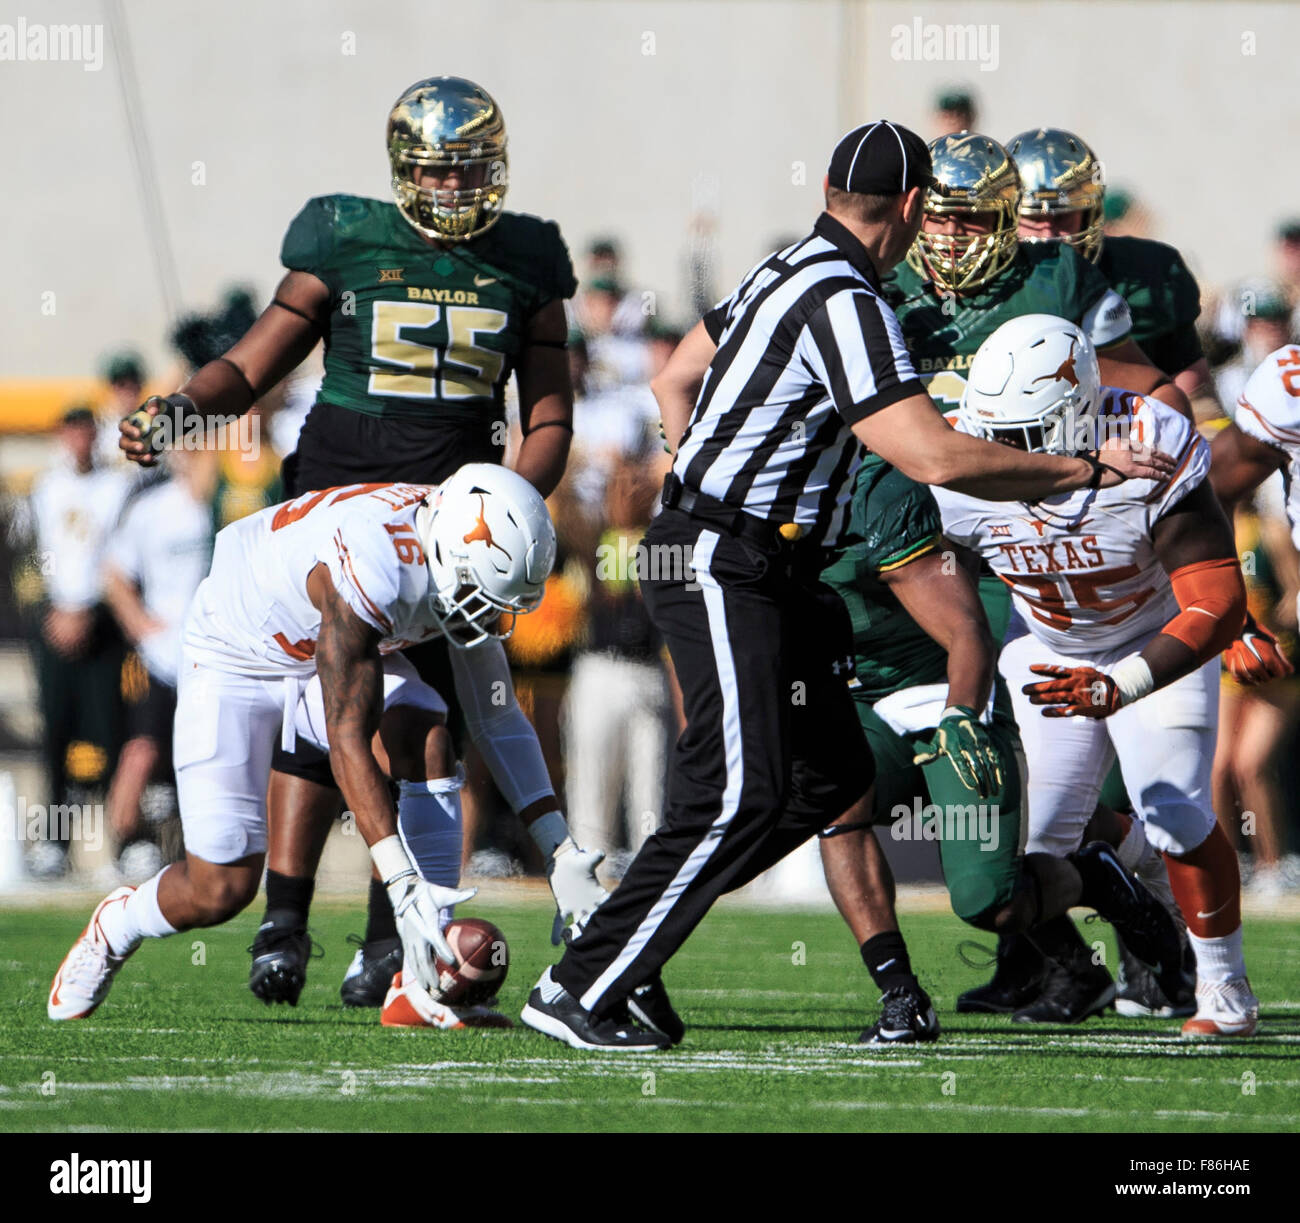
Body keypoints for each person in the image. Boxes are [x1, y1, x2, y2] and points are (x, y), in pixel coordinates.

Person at [518, 120, 1176, 1052]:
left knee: (823, 778)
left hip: (767, 563)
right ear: (910, 207)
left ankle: (626, 962)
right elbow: (930, 452)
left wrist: (697, 463)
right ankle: (584, 981)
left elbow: (677, 374)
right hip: (729, 558)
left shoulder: (785, 266)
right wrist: (1077, 470)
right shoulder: (847, 297)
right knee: (737, 791)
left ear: (831, 189)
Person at [118, 75, 586, 1010]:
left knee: (426, 728)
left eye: (468, 170)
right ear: (403, 172)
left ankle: (390, 940)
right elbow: (252, 366)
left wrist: (507, 509)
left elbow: (548, 412)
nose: (453, 189)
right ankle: (284, 920)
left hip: (454, 514)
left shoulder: (529, 257)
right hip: (338, 490)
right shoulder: (345, 235)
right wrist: (181, 411)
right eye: (435, 172)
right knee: (322, 709)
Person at [823, 131, 1193, 1025]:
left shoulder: (1052, 274)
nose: (949, 239)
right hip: (910, 551)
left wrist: (1138, 482)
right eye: (937, 218)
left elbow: (1149, 388)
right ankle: (1051, 954)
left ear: (1009, 218)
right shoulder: (878, 285)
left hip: (1022, 544)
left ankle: (1123, 897)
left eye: (973, 219)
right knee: (928, 795)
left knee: (1046, 773)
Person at [47, 467, 604, 1029]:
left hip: (318, 647)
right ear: (448, 553)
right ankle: (117, 923)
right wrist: (399, 878)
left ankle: (419, 982)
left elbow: (498, 715)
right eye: (479, 598)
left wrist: (559, 850)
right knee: (220, 888)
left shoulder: (450, 544)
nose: (487, 617)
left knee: (428, 734)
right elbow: (345, 738)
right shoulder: (375, 563)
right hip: (236, 655)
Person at [932, 315, 1256, 1037]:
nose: (996, 454)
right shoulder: (956, 463)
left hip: (1155, 639)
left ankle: (1225, 990)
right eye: (989, 433)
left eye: (1018, 436)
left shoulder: (1150, 440)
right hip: (1049, 647)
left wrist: (1123, 684)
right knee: (1032, 856)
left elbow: (1219, 600)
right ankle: (1137, 870)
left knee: (1176, 811)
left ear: (1078, 411)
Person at [1008, 128, 1220, 428]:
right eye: (1032, 220)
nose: (1049, 235)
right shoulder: (991, 282)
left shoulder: (1149, 272)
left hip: (1130, 428)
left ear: (1090, 215)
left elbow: (1189, 378)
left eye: (1062, 219)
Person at [102, 447, 220, 881]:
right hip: (161, 653)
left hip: (214, 654)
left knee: (222, 752)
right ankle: (124, 845)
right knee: (142, 748)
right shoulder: (152, 508)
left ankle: (223, 848)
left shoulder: (225, 503)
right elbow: (114, 573)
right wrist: (140, 623)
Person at [26, 406, 133, 878]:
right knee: (55, 730)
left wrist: (90, 609)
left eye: (87, 434)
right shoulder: (43, 487)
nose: (80, 442)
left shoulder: (117, 487)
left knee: (110, 729)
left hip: (102, 622)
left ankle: (125, 839)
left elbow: (119, 554)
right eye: (72, 433)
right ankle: (54, 842)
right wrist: (52, 610)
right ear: (61, 436)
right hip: (54, 621)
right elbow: (29, 557)